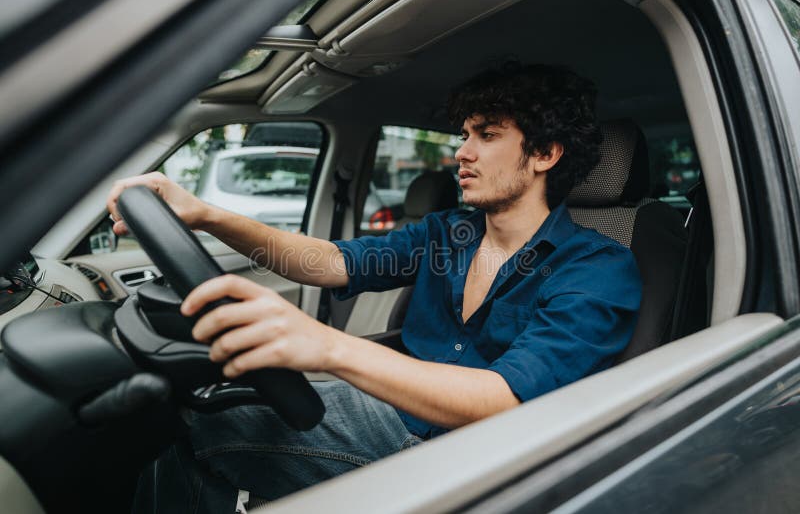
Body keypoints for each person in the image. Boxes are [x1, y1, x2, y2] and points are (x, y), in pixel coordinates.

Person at [108, 63, 642, 513]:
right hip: (386, 416)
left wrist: (330, 346)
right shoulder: (447, 233)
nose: (463, 151)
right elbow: (328, 262)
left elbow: (503, 399)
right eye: (465, 134)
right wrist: (205, 215)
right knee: (188, 407)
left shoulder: (597, 269)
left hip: (477, 458)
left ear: (546, 154)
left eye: (488, 134)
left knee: (199, 430)